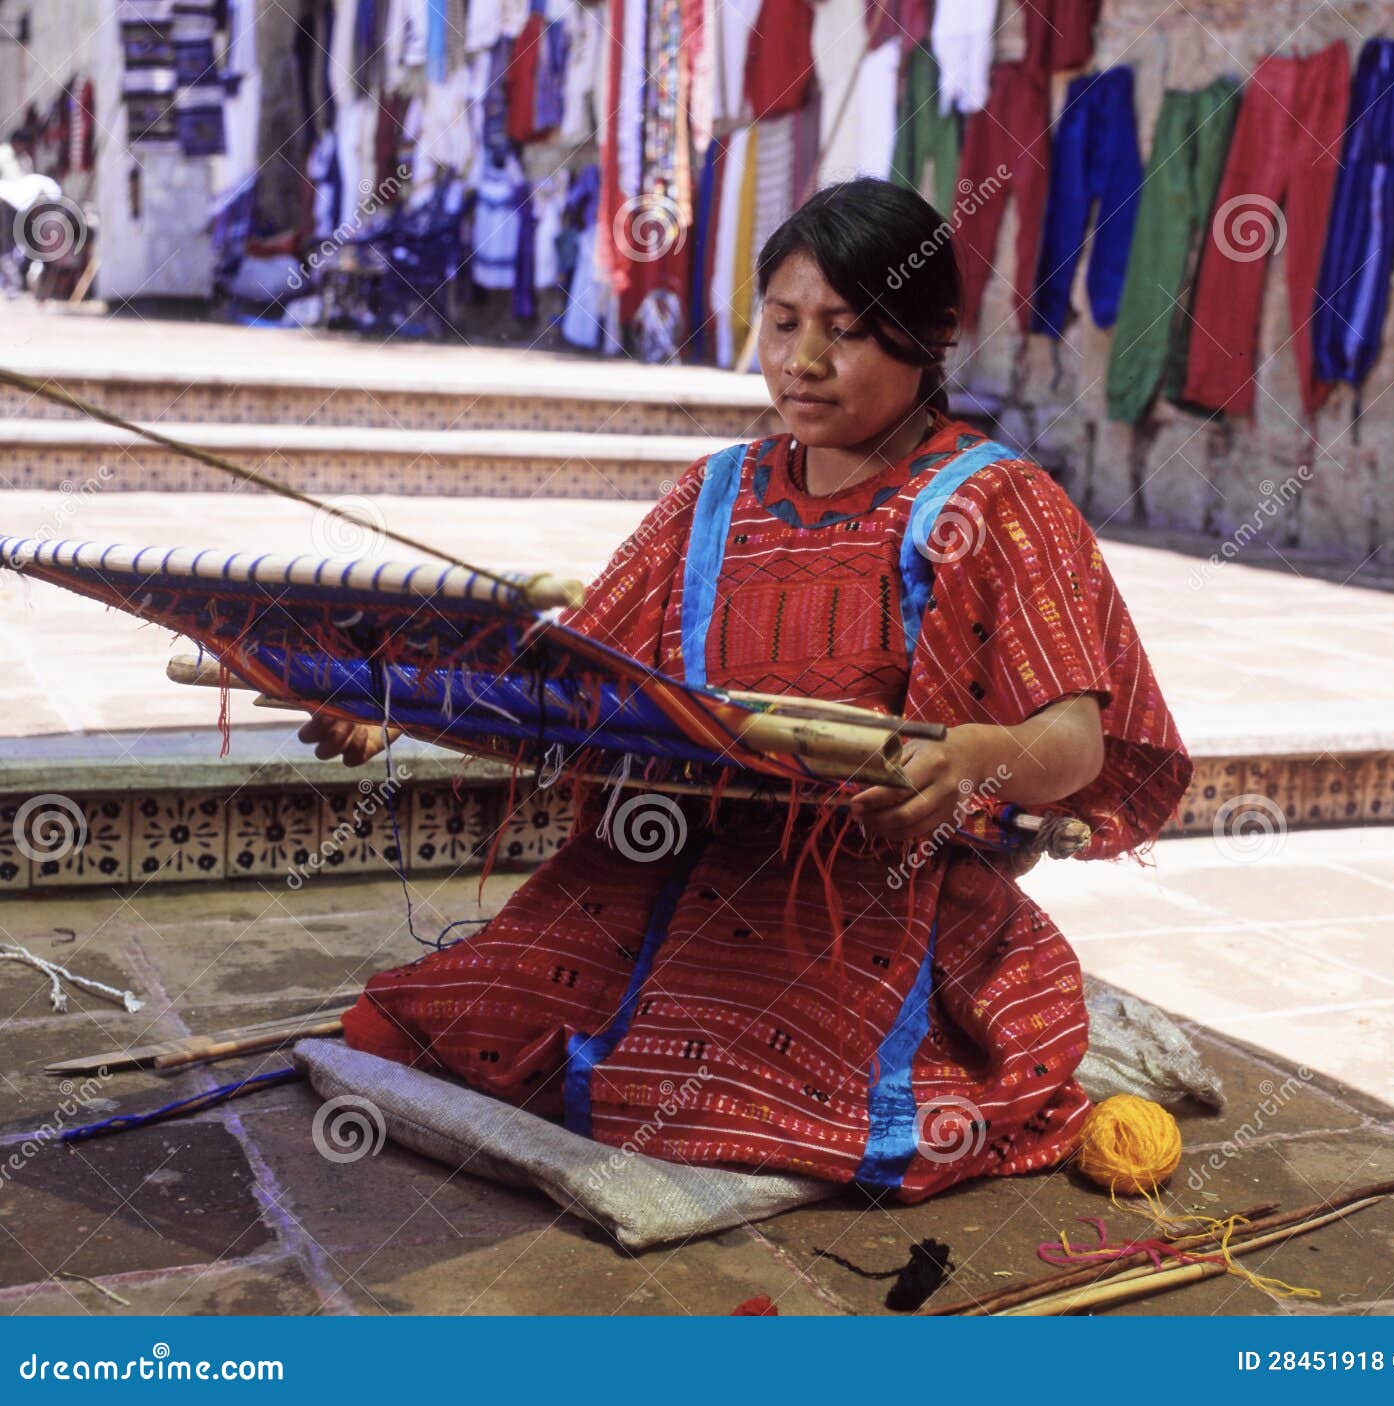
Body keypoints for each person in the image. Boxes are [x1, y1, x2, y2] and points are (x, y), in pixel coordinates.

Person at [301, 177, 1193, 1203]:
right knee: (438, 1020)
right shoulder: (717, 492)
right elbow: (576, 676)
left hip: (874, 897)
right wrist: (392, 706)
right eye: (782, 322)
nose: (802, 361)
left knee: (787, 1104)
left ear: (932, 333)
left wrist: (968, 757)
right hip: (665, 867)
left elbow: (1075, 737)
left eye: (844, 331)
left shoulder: (992, 501)